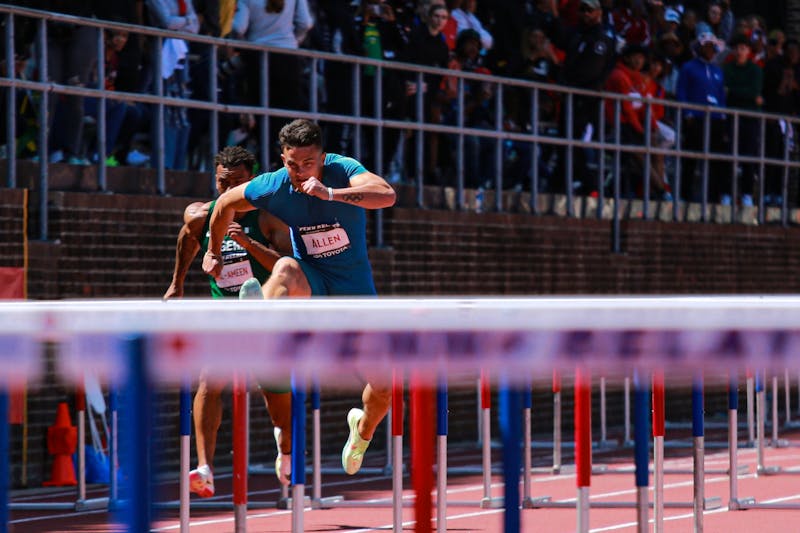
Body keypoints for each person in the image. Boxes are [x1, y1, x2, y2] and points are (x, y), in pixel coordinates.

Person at [202, 119, 397, 476]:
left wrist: (331, 194)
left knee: (385, 386)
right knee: (287, 267)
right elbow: (224, 204)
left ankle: (363, 430)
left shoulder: (342, 168)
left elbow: (386, 194)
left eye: (308, 164)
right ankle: (259, 325)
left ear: (322, 158)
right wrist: (212, 251)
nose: (299, 172)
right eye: (293, 164)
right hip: (313, 280)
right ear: (283, 158)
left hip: (353, 291)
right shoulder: (274, 184)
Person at [164, 146, 294, 494]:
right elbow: (187, 238)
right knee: (209, 380)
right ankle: (204, 466)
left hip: (268, 317)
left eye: (238, 182)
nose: (230, 190)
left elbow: (287, 267)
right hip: (226, 316)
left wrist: (247, 242)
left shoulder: (269, 217)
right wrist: (176, 284)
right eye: (224, 182)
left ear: (252, 181)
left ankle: (286, 452)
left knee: (277, 399)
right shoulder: (202, 215)